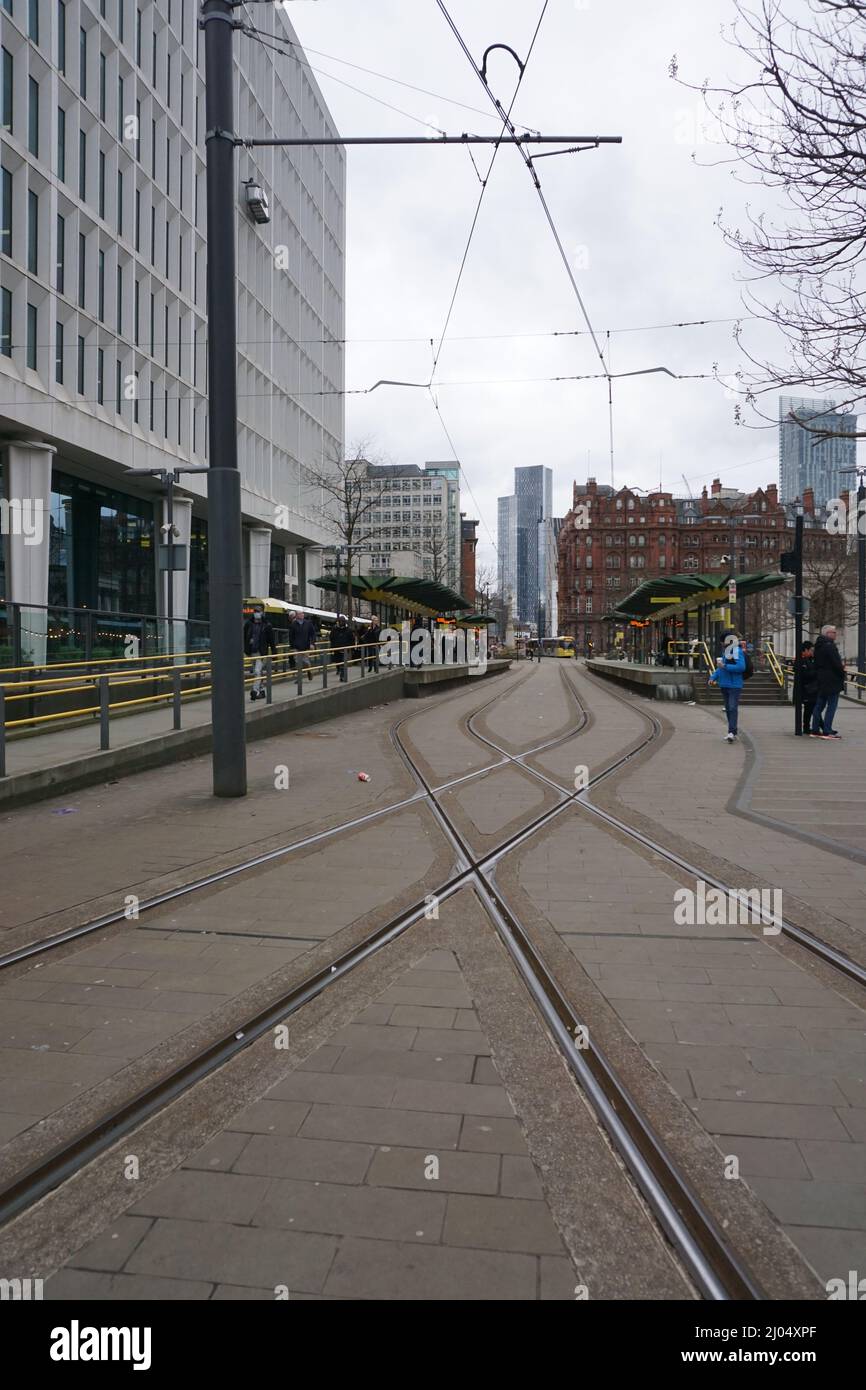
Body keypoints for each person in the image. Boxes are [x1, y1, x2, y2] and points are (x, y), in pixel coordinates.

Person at [708, 630, 746, 741]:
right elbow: (721, 668)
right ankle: (732, 731)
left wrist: (725, 666)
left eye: (722, 642)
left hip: (734, 684)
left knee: (732, 707)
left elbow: (741, 667)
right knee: (729, 708)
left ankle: (731, 732)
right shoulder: (727, 652)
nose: (721, 644)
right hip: (725, 684)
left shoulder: (736, 651)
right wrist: (713, 677)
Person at [811, 624, 845, 739]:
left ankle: (815, 729)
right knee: (832, 705)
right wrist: (842, 673)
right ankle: (827, 730)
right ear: (827, 634)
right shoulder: (829, 646)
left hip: (821, 679)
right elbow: (836, 663)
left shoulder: (818, 646)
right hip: (832, 680)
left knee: (819, 705)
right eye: (833, 632)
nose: (836, 634)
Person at [243, 605, 277, 701]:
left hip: (261, 652)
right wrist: (246, 647)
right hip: (251, 652)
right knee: (257, 672)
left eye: (258, 611)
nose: (257, 613)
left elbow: (271, 640)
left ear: (262, 613)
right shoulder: (248, 624)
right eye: (255, 611)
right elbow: (244, 636)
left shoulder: (267, 625)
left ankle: (255, 690)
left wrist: (274, 653)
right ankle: (262, 691)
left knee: (257, 672)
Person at [795, 639, 819, 736]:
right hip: (807, 689)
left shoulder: (809, 660)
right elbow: (806, 675)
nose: (812, 652)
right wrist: (817, 672)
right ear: (805, 650)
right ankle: (809, 727)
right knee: (811, 709)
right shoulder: (802, 661)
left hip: (810, 689)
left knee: (811, 709)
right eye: (811, 650)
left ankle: (811, 727)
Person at [288, 608, 318, 682]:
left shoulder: (308, 623)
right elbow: (291, 636)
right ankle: (299, 678)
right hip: (297, 647)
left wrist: (312, 643)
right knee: (298, 662)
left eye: (303, 613)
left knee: (305, 662)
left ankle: (309, 671)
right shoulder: (293, 625)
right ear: (297, 615)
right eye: (300, 614)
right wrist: (292, 647)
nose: (302, 615)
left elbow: (313, 634)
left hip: (306, 646)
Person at [330, 613, 354, 682]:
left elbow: (351, 639)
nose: (341, 623)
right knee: (338, 661)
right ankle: (338, 669)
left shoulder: (348, 630)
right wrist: (333, 645)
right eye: (340, 621)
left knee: (343, 662)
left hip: (345, 648)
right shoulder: (334, 629)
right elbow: (331, 637)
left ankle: (342, 676)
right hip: (337, 648)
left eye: (342, 622)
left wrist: (350, 647)